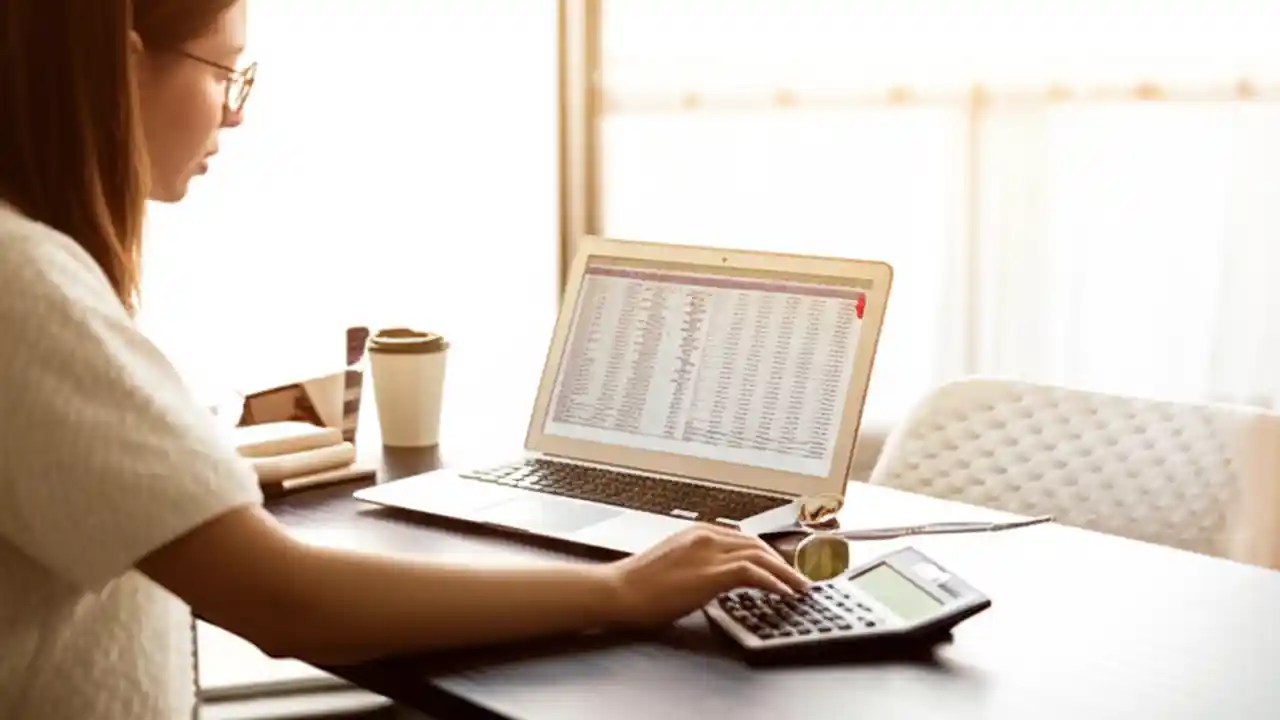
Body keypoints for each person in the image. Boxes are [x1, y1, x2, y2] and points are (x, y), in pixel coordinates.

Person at [0, 2, 810, 718]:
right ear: (122, 61)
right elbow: (288, 603)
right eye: (226, 72)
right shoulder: (26, 284)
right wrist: (620, 589)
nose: (236, 115)